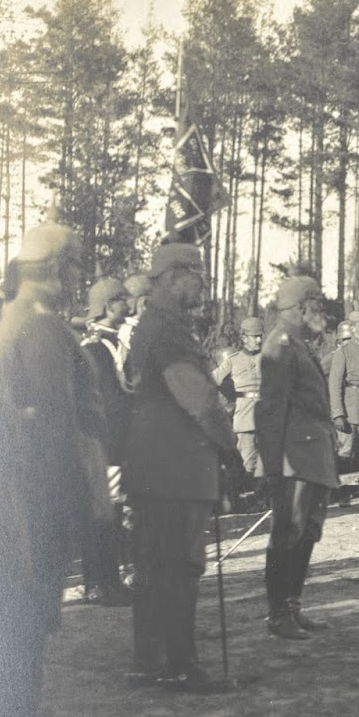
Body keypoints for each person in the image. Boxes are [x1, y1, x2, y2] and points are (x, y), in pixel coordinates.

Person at [0, 228, 97, 717]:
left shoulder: (6, 325)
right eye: (73, 269)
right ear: (52, 270)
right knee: (26, 622)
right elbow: (58, 425)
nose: (77, 281)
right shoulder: (44, 329)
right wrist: (85, 502)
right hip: (33, 497)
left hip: (10, 493)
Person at [123, 242, 240, 691]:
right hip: (175, 464)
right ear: (173, 277)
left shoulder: (155, 324)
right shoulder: (169, 330)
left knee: (155, 564)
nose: (205, 287)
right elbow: (197, 398)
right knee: (178, 565)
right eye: (199, 277)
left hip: (155, 462)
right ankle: (179, 666)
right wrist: (227, 443)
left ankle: (150, 662)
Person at [252, 276, 338, 638]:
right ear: (301, 308)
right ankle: (277, 614)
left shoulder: (299, 343)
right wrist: (273, 466)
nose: (321, 310)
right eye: (317, 303)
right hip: (293, 456)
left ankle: (291, 606)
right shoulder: (281, 344)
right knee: (289, 532)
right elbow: (270, 409)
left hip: (310, 453)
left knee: (307, 533)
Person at [78, 276, 135, 605]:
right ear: (107, 306)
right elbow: (107, 403)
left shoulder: (113, 343)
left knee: (112, 508)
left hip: (116, 445)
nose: (127, 304)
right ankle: (98, 582)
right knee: (103, 509)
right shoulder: (94, 348)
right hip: (104, 446)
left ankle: (109, 580)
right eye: (122, 299)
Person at [214, 316, 265, 485]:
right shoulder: (232, 361)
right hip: (245, 416)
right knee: (248, 462)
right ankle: (248, 498)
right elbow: (210, 381)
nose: (259, 339)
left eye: (260, 336)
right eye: (254, 336)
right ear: (244, 338)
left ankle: (264, 498)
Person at [330, 308, 359, 469]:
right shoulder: (343, 353)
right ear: (353, 328)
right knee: (345, 451)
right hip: (351, 412)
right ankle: (339, 493)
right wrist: (338, 414)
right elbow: (335, 386)